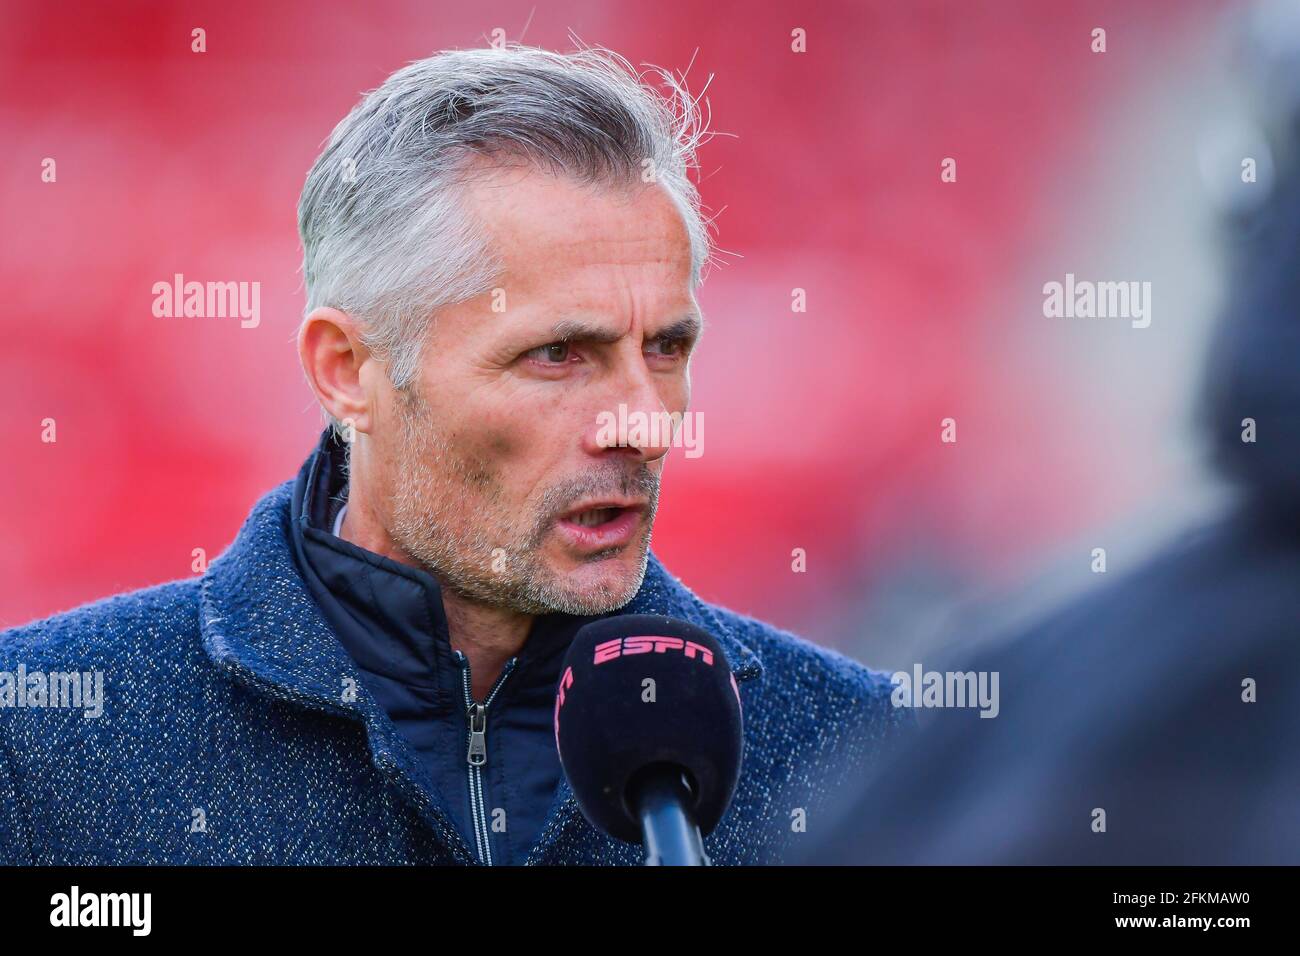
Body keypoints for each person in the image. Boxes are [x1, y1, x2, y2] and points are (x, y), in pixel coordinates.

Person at [0, 45, 907, 865]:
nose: (645, 420)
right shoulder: (41, 743)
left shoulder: (859, 753)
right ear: (347, 369)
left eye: (666, 349)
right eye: (558, 354)